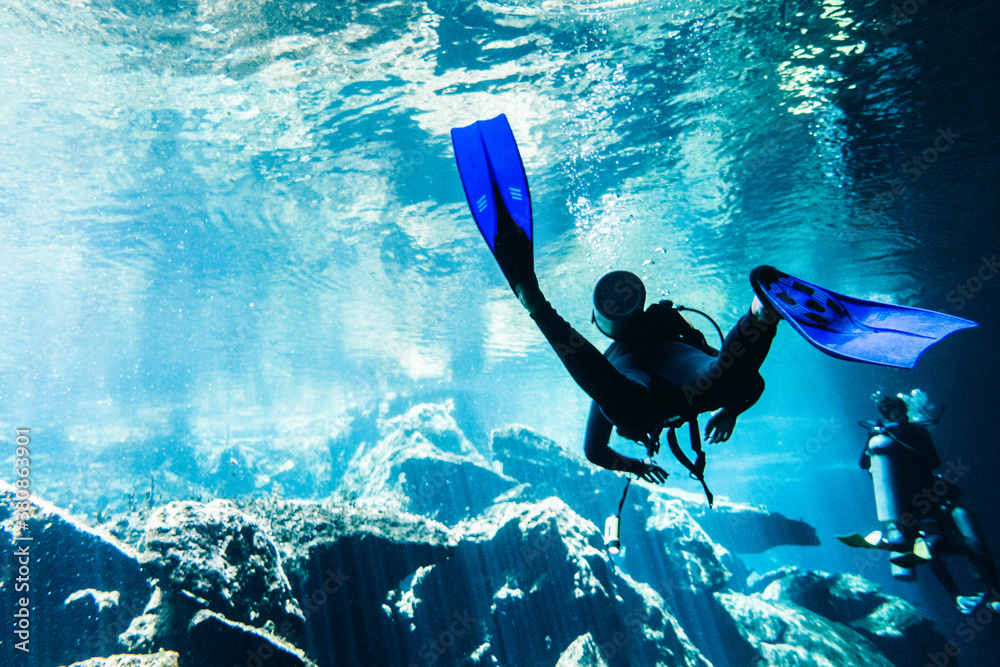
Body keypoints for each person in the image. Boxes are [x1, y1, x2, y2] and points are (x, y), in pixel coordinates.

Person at [855, 394, 999, 613]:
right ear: (903, 410)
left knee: (924, 542)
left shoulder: (876, 435)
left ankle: (956, 595)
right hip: (928, 495)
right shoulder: (917, 430)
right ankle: (993, 593)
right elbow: (934, 462)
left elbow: (863, 464)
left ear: (882, 415)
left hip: (899, 505)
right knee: (957, 537)